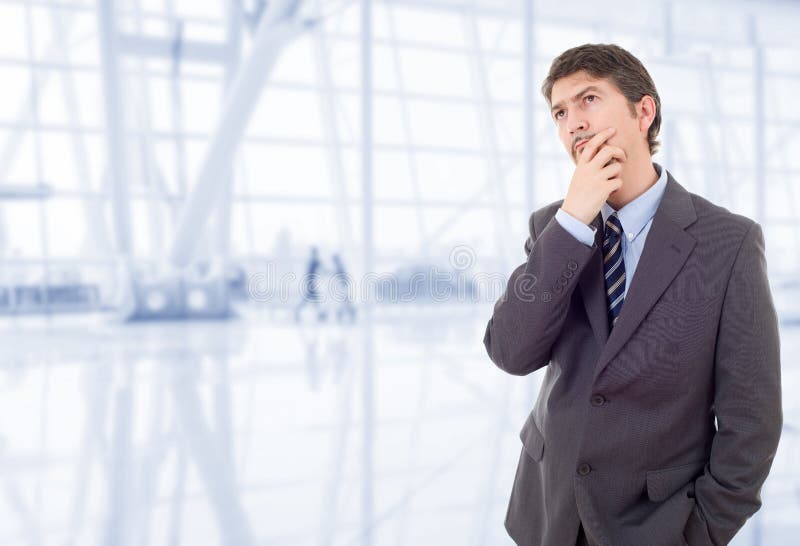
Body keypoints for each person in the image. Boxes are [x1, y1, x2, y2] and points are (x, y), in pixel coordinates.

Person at [483, 43, 782, 546]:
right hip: (549, 514)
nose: (574, 123)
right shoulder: (553, 226)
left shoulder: (729, 242)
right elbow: (510, 352)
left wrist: (700, 533)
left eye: (589, 99)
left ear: (645, 112)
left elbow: (751, 419)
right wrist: (573, 223)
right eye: (560, 112)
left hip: (658, 522)